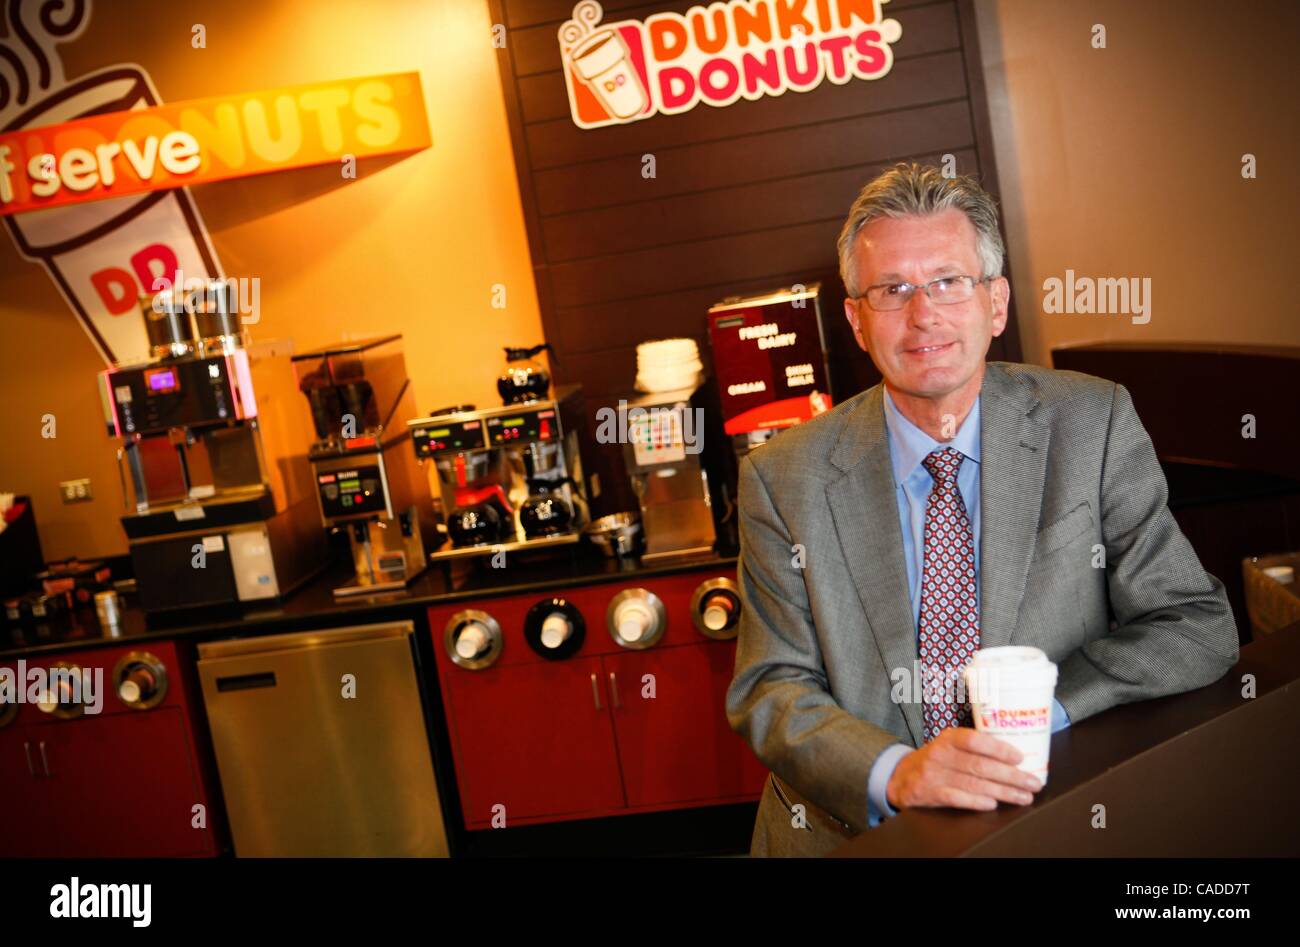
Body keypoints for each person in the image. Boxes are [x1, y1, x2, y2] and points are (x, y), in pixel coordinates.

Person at [726, 162, 1239, 858]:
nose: (923, 313)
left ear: (996, 303)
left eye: (947, 281)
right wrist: (897, 773)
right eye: (892, 289)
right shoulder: (780, 478)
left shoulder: (1092, 424)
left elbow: (1194, 624)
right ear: (855, 320)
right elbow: (770, 687)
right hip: (845, 837)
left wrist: (1040, 716)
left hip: (1049, 820)